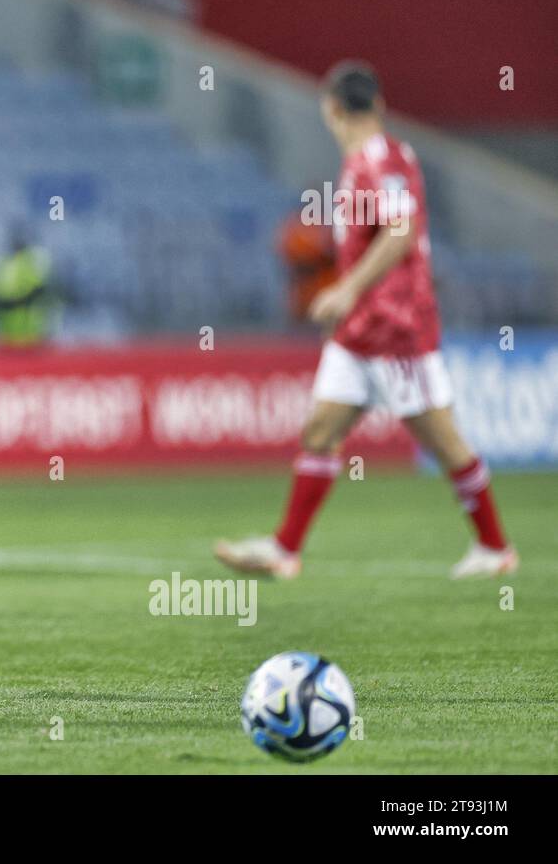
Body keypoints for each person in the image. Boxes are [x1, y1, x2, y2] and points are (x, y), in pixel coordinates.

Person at [215, 62, 516, 581]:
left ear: (332, 108)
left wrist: (346, 288)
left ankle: (494, 548)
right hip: (359, 331)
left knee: (444, 442)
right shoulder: (366, 162)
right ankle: (285, 550)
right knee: (319, 430)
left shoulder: (383, 161)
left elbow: (400, 231)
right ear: (376, 103)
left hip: (397, 330)